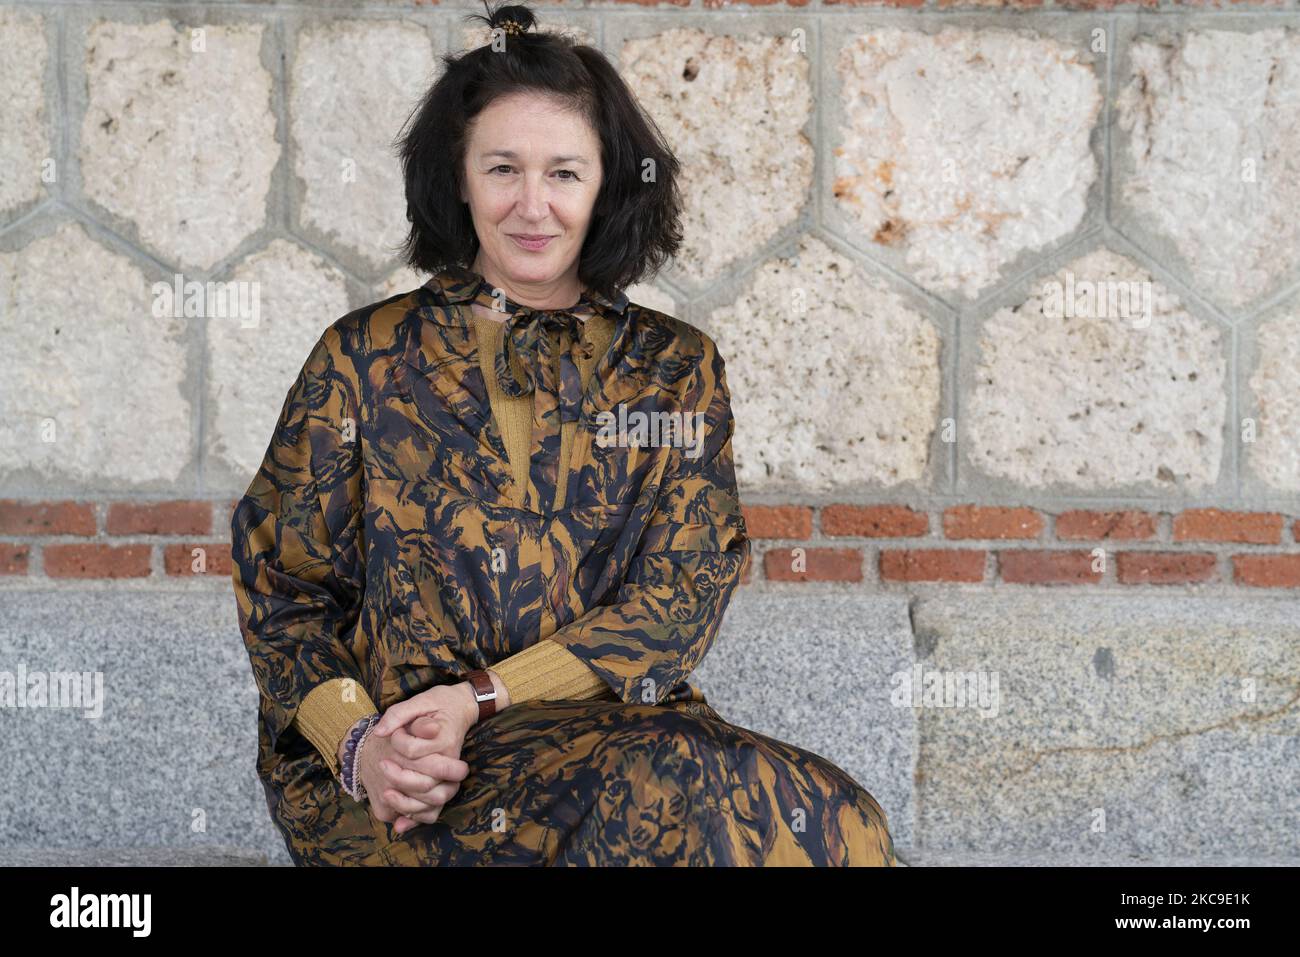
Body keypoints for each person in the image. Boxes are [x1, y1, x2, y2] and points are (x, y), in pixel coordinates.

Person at [229, 0, 897, 866]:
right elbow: (283, 588)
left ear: (609, 183)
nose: (532, 205)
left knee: (842, 818)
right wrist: (362, 743)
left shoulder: (673, 368)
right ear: (459, 178)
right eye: (502, 168)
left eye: (564, 173)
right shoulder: (364, 356)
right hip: (410, 766)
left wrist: (487, 694)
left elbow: (679, 596)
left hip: (622, 734)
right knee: (673, 793)